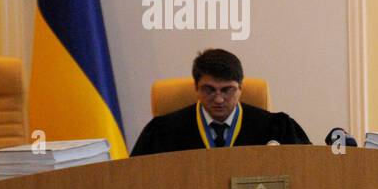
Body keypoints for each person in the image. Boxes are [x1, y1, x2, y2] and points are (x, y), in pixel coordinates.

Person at [131, 49, 311, 156]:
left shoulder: (277, 128)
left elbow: (305, 171)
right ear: (196, 87)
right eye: (209, 90)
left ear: (241, 88)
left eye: (227, 90)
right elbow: (136, 179)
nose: (218, 99)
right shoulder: (163, 132)